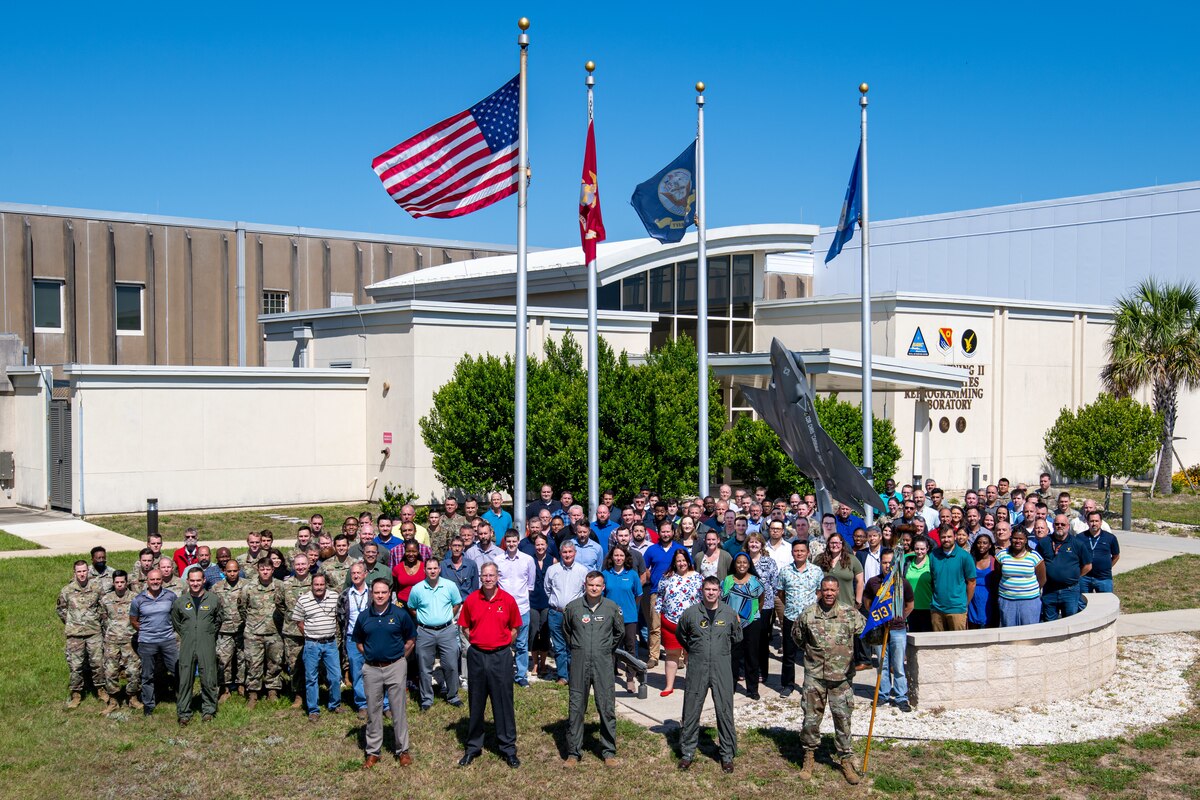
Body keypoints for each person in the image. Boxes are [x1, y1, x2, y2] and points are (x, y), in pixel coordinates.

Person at [796, 576, 865, 785]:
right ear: (820, 590)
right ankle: (809, 756)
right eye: (825, 590)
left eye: (832, 590)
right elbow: (798, 638)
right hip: (815, 676)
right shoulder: (808, 614)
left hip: (841, 677)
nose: (829, 593)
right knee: (810, 719)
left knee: (843, 719)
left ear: (838, 591)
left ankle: (845, 759)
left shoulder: (850, 614)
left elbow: (867, 632)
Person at [457, 562, 523, 768]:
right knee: (476, 702)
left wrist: (502, 643)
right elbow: (464, 626)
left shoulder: (508, 600)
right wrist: (477, 640)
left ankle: (507, 748)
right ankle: (473, 747)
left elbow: (515, 628)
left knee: (503, 702)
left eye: (491, 575)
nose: (487, 579)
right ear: (480, 577)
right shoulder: (471, 600)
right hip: (477, 656)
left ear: (497, 577)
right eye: (484, 575)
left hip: (500, 657)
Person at [676, 575, 741, 774]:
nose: (711, 593)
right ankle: (687, 753)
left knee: (724, 710)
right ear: (701, 591)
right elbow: (681, 635)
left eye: (714, 589)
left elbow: (737, 637)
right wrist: (697, 650)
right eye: (707, 589)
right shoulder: (690, 614)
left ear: (720, 592)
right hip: (697, 666)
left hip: (722, 667)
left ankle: (727, 754)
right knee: (691, 709)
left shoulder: (729, 614)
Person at [353, 578, 417, 769]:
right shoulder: (364, 616)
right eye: (376, 592)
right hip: (372, 669)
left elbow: (410, 639)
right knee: (373, 711)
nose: (380, 596)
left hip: (395, 666)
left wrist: (398, 659)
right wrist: (373, 656)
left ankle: (402, 750)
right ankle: (373, 751)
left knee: (398, 710)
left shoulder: (399, 615)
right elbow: (359, 642)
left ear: (389, 594)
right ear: (371, 594)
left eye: (383, 592)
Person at [562, 571, 624, 766]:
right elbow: (567, 632)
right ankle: (573, 752)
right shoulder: (573, 608)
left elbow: (619, 632)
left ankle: (608, 751)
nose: (594, 588)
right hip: (579, 662)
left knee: (606, 706)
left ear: (603, 587)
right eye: (591, 585)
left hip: (603, 662)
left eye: (598, 585)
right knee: (576, 706)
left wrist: (604, 648)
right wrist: (580, 647)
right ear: (585, 585)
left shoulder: (611, 608)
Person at [407, 557, 463, 710]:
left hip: (447, 630)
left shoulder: (449, 586)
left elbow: (457, 603)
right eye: (429, 568)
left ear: (439, 569)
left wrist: (447, 617)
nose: (432, 571)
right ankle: (426, 699)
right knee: (425, 667)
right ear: (424, 570)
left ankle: (453, 696)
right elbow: (411, 607)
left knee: (451, 664)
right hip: (425, 631)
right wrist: (421, 618)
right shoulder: (417, 588)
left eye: (435, 568)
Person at [862, 551, 914, 712]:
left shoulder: (902, 583)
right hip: (879, 630)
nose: (887, 566)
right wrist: (878, 618)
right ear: (880, 563)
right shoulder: (873, 582)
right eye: (884, 562)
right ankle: (883, 694)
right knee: (882, 664)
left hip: (898, 629)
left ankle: (901, 697)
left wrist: (900, 617)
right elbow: (867, 602)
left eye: (890, 563)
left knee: (898, 665)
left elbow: (910, 605)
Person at [171, 565, 223, 725]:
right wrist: (188, 633)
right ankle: (184, 713)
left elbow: (218, 620)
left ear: (204, 580)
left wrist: (206, 633)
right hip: (187, 644)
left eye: (198, 580)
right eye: (192, 581)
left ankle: (208, 710)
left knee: (208, 677)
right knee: (185, 679)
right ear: (187, 581)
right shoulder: (180, 602)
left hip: (206, 643)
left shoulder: (213, 600)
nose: (195, 584)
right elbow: (176, 621)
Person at [776, 540, 824, 695]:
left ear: (808, 552)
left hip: (810, 619)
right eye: (796, 551)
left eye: (802, 551)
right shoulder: (785, 571)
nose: (799, 553)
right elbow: (781, 593)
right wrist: (792, 605)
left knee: (811, 654)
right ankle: (787, 684)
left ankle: (811, 684)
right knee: (789, 654)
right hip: (791, 617)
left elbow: (819, 592)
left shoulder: (816, 571)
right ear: (792, 553)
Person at [292, 573, 343, 720]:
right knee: (311, 678)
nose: (319, 587)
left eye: (322, 584)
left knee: (335, 676)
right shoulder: (304, 600)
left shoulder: (334, 597)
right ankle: (313, 709)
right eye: (316, 585)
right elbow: (299, 621)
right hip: (312, 644)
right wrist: (309, 634)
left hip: (330, 643)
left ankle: (335, 704)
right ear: (311, 585)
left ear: (325, 585)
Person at [130, 568, 178, 716]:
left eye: (158, 579)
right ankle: (148, 705)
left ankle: (181, 700)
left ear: (162, 580)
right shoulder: (138, 600)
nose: (155, 582)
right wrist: (146, 630)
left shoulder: (171, 596)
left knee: (178, 670)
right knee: (147, 675)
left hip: (168, 640)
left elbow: (176, 615)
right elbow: (133, 620)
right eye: (152, 580)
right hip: (147, 642)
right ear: (147, 581)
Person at [654, 550, 702, 697]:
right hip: (670, 622)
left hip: (692, 623)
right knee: (671, 655)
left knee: (690, 654)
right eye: (678, 561)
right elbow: (660, 596)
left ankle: (691, 685)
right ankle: (669, 686)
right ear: (674, 562)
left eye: (683, 560)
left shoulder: (698, 578)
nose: (681, 563)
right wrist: (658, 614)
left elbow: (703, 598)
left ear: (688, 561)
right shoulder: (667, 578)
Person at [58, 560, 104, 709]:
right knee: (75, 666)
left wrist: (94, 620)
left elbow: (103, 608)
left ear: (88, 572)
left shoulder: (97, 588)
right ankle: (76, 694)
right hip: (74, 634)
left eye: (84, 571)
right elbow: (61, 609)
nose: (82, 574)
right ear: (74, 573)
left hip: (94, 632)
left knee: (97, 663)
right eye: (79, 571)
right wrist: (72, 622)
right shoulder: (67, 590)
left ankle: (100, 689)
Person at [240, 558, 285, 709]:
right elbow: (242, 608)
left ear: (273, 570)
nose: (265, 572)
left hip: (274, 632)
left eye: (268, 569)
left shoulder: (280, 586)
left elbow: (285, 606)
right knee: (253, 664)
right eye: (262, 569)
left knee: (275, 663)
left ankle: (272, 691)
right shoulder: (249, 587)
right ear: (257, 570)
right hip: (253, 633)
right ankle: (253, 694)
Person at [494, 529, 536, 686]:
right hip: (502, 608)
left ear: (518, 541)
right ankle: (502, 673)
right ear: (505, 542)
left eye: (514, 541)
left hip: (522, 607)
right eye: (509, 541)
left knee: (522, 644)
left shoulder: (527, 560)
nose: (511, 544)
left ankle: (521, 675)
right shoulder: (497, 560)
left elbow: (530, 585)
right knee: (501, 642)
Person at [721, 553, 765, 700]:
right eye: (738, 562)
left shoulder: (755, 581)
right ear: (734, 564)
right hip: (732, 623)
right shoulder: (727, 581)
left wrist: (751, 614)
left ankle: (752, 689)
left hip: (752, 622)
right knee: (733, 655)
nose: (741, 565)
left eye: (745, 562)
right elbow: (722, 601)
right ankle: (731, 686)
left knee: (752, 656)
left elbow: (760, 600)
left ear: (749, 564)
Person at [643, 520, 686, 669]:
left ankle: (679, 657)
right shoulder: (652, 549)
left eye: (668, 531)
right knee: (655, 626)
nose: (666, 534)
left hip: (676, 594)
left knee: (677, 625)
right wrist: (653, 577)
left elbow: (687, 567)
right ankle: (653, 656)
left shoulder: (680, 550)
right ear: (659, 532)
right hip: (656, 592)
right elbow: (644, 568)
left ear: (673, 532)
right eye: (663, 531)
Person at [545, 541, 588, 685]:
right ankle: (563, 676)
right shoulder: (552, 570)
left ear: (575, 553)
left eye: (570, 552)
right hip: (556, 613)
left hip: (574, 614)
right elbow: (548, 589)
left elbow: (585, 592)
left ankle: (573, 675)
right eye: (564, 552)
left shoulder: (583, 571)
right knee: (559, 646)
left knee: (573, 646)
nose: (567, 555)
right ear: (560, 553)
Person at [99, 570, 143, 713]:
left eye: (122, 582)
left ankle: (133, 698)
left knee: (133, 671)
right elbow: (103, 619)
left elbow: (140, 618)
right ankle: (113, 700)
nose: (119, 585)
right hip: (112, 641)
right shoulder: (106, 599)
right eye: (117, 582)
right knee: (110, 671)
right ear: (113, 583)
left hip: (130, 641)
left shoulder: (135, 598)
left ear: (127, 583)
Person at [601, 544, 642, 693]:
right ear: (611, 557)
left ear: (626, 558)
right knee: (611, 648)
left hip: (629, 617)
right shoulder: (605, 574)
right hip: (611, 618)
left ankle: (630, 678)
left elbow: (638, 595)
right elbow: (602, 596)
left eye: (621, 556)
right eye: (616, 555)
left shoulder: (632, 575)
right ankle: (609, 678)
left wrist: (629, 607)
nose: (618, 558)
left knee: (630, 648)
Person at [1038, 514, 1092, 620]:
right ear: (1053, 526)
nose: (1060, 526)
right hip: (1049, 590)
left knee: (1070, 622)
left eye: (1063, 524)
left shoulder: (1077, 544)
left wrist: (1075, 575)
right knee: (1049, 623)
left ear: (1068, 526)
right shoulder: (1044, 543)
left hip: (1070, 591)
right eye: (1057, 524)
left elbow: (1088, 566)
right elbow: (1037, 564)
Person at [339, 562, 372, 718]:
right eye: (353, 573)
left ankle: (384, 703)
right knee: (357, 672)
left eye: (359, 573)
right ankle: (362, 704)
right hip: (353, 639)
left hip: (373, 638)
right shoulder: (345, 595)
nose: (356, 575)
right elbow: (340, 618)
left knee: (379, 670)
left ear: (365, 574)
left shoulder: (373, 593)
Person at [210, 558, 246, 701]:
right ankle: (224, 688)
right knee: (223, 660)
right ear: (224, 572)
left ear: (239, 571)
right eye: (229, 571)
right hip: (224, 630)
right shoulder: (216, 588)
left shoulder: (247, 586)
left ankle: (241, 685)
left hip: (242, 629)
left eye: (235, 571)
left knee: (243, 659)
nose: (232, 574)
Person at [929, 526, 977, 631]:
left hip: (957, 609)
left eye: (949, 536)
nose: (946, 539)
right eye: (943, 537)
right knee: (938, 644)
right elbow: (932, 580)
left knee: (958, 645)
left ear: (955, 537)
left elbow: (972, 583)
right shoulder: (933, 555)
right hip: (937, 609)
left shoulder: (965, 556)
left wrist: (964, 603)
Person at [996, 529, 1046, 626]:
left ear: (1026, 540)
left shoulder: (1034, 556)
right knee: (1009, 633)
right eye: (1015, 538)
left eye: (1021, 539)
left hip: (1029, 601)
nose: (1018, 541)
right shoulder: (1002, 555)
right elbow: (997, 576)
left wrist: (1027, 590)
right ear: (1011, 539)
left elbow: (1042, 579)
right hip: (1007, 600)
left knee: (1029, 632)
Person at [528, 534, 557, 680]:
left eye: (542, 544)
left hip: (547, 601)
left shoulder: (552, 560)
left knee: (545, 632)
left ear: (546, 545)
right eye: (537, 545)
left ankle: (544, 663)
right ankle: (534, 663)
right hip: (532, 601)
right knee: (533, 631)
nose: (540, 547)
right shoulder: (529, 560)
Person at [1079, 509, 1120, 593]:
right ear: (1087, 522)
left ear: (1101, 522)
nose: (1094, 523)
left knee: (1105, 603)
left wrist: (1107, 566)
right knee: (1084, 604)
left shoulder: (1110, 538)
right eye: (1091, 521)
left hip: (1104, 578)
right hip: (1084, 578)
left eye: (1096, 521)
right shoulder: (1080, 537)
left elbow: (1116, 556)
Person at [967, 536, 1000, 628]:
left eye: (985, 543)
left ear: (990, 545)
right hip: (972, 597)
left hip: (988, 598)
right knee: (972, 625)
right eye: (979, 542)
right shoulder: (971, 560)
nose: (981, 545)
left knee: (987, 625)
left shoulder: (994, 561)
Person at [904, 537, 934, 632]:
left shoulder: (932, 563)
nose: (919, 551)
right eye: (917, 549)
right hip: (911, 608)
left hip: (928, 608)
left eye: (922, 549)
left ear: (927, 548)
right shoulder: (907, 563)